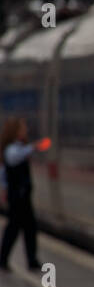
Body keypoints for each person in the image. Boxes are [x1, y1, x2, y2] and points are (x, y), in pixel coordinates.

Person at [1, 116, 48, 272]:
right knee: (14, 227)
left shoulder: (19, 147)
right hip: (17, 196)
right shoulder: (11, 149)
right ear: (15, 131)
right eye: (22, 127)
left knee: (28, 227)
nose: (26, 130)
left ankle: (31, 259)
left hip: (23, 195)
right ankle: (4, 259)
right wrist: (35, 147)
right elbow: (14, 158)